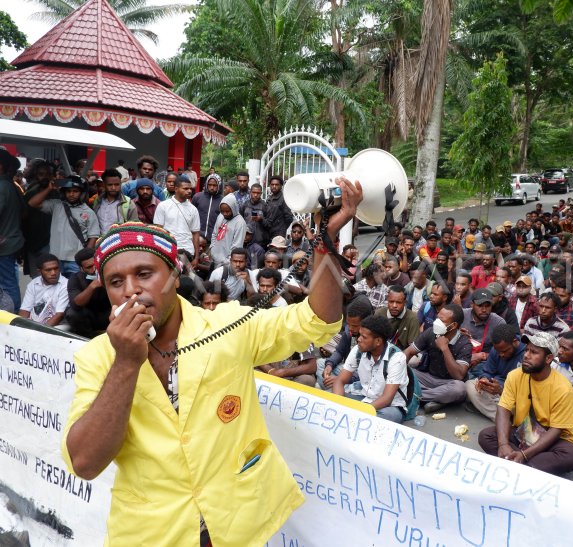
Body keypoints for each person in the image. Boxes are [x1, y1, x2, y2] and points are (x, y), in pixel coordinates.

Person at [61, 178, 361, 545]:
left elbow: (318, 321)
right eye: (115, 282)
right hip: (153, 535)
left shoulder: (227, 324)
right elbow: (85, 463)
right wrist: (125, 363)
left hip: (237, 527)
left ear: (175, 275)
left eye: (144, 274)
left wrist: (326, 240)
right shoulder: (97, 357)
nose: (131, 291)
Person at [478, 331, 573, 476]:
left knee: (572, 456)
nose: (526, 355)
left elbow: (556, 430)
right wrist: (503, 444)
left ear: (548, 358)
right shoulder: (515, 375)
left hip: (552, 440)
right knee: (486, 435)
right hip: (523, 431)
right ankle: (525, 464)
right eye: (526, 350)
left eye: (534, 352)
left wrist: (524, 454)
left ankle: (517, 461)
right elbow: (503, 408)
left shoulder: (563, 388)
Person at [333, 314, 410, 423]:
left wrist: (359, 411)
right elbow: (340, 381)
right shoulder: (357, 350)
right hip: (364, 398)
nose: (358, 339)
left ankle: (354, 420)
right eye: (360, 335)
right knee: (330, 397)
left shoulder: (397, 358)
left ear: (378, 341)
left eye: (364, 337)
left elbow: (387, 399)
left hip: (389, 406)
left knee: (383, 417)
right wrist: (338, 405)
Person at [403, 304, 472, 413]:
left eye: (441, 320)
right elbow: (409, 351)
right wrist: (398, 370)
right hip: (428, 377)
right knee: (406, 371)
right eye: (437, 318)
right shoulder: (431, 332)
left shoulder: (464, 344)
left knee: (460, 389)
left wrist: (445, 348)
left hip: (449, 383)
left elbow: (458, 376)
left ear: (453, 325)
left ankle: (414, 394)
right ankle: (437, 399)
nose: (436, 322)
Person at [28, 176, 100, 278]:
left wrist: (85, 258)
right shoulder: (56, 205)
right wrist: (49, 188)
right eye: (68, 191)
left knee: (75, 289)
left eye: (75, 191)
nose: (71, 194)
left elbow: (93, 236)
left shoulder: (88, 212)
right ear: (64, 192)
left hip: (75, 260)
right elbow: (33, 203)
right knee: (56, 290)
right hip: (55, 259)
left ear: (82, 193)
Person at [465, 324, 525, 420]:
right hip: (494, 390)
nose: (501, 354)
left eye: (505, 351)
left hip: (512, 394)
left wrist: (501, 390)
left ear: (514, 342)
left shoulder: (525, 355)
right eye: (498, 351)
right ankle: (503, 416)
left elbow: (523, 390)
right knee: (469, 385)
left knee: (518, 405)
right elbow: (488, 371)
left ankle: (500, 418)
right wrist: (484, 379)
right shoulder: (496, 350)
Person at [317, 299, 373, 390]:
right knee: (320, 364)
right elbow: (339, 351)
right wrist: (330, 364)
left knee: (340, 375)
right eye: (348, 324)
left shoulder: (371, 339)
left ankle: (332, 391)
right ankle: (328, 389)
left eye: (355, 326)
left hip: (361, 378)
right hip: (348, 368)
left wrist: (341, 380)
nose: (350, 328)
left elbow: (367, 374)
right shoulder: (349, 331)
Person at [153, 176, 201, 266]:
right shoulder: (163, 206)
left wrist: (196, 257)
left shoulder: (193, 209)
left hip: (188, 252)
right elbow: (158, 231)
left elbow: (196, 233)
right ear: (176, 189)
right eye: (185, 188)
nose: (189, 191)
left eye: (190, 188)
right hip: (167, 251)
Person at [66, 247, 111, 336]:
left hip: (109, 313)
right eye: (89, 267)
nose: (94, 269)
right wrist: (92, 287)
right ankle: (88, 339)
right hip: (90, 318)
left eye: (95, 264)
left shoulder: (109, 272)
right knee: (72, 314)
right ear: (81, 268)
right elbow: (76, 304)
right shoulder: (75, 278)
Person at [0, 147, 23, 311]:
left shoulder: (2, 186)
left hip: (4, 243)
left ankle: (13, 315)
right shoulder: (12, 185)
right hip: (12, 239)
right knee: (9, 280)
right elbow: (25, 212)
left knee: (7, 282)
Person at [19, 253, 69, 326]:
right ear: (39, 271)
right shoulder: (33, 284)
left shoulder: (66, 284)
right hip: (34, 323)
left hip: (56, 326)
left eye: (56, 268)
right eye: (48, 270)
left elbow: (59, 314)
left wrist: (38, 332)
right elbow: (25, 310)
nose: (53, 273)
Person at [93, 169, 139, 234]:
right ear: (104, 184)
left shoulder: (128, 203)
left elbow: (135, 228)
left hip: (120, 242)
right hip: (99, 242)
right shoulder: (97, 201)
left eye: (117, 184)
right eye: (110, 185)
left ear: (120, 184)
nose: (113, 188)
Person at [209, 194, 247, 268]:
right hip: (215, 260)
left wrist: (227, 261)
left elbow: (237, 246)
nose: (225, 214)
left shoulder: (240, 222)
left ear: (234, 208)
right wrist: (212, 249)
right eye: (222, 211)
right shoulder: (220, 216)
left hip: (226, 264)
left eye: (227, 211)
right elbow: (214, 234)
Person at [376, 285, 420, 349]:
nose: (394, 306)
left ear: (405, 302)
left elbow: (413, 348)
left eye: (398, 302)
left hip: (402, 355)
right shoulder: (379, 314)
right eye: (391, 302)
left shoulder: (412, 318)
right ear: (387, 300)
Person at [191, 174, 223, 243]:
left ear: (219, 186)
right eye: (209, 184)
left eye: (214, 185)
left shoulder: (223, 201)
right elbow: (191, 216)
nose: (212, 187)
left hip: (215, 240)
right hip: (197, 238)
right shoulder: (197, 197)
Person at [263, 175, 294, 241]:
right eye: (272, 184)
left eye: (276, 185)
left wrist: (281, 229)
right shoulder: (269, 199)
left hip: (278, 234)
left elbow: (289, 218)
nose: (274, 186)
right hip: (268, 232)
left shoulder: (284, 199)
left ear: (281, 186)